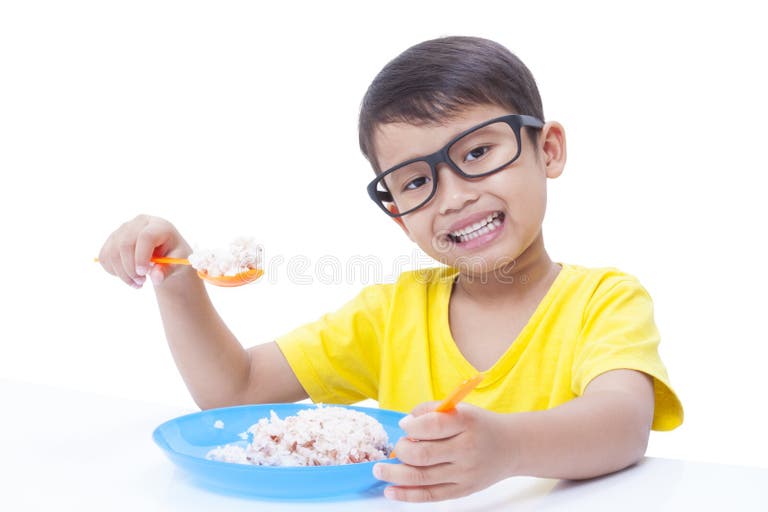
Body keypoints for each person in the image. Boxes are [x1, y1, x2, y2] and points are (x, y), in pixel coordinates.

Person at [98, 36, 683, 502]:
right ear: (400, 216)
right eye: (416, 182)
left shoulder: (604, 300)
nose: (453, 198)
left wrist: (506, 448)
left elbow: (623, 423)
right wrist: (175, 280)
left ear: (547, 149)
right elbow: (236, 389)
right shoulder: (392, 314)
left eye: (478, 152)